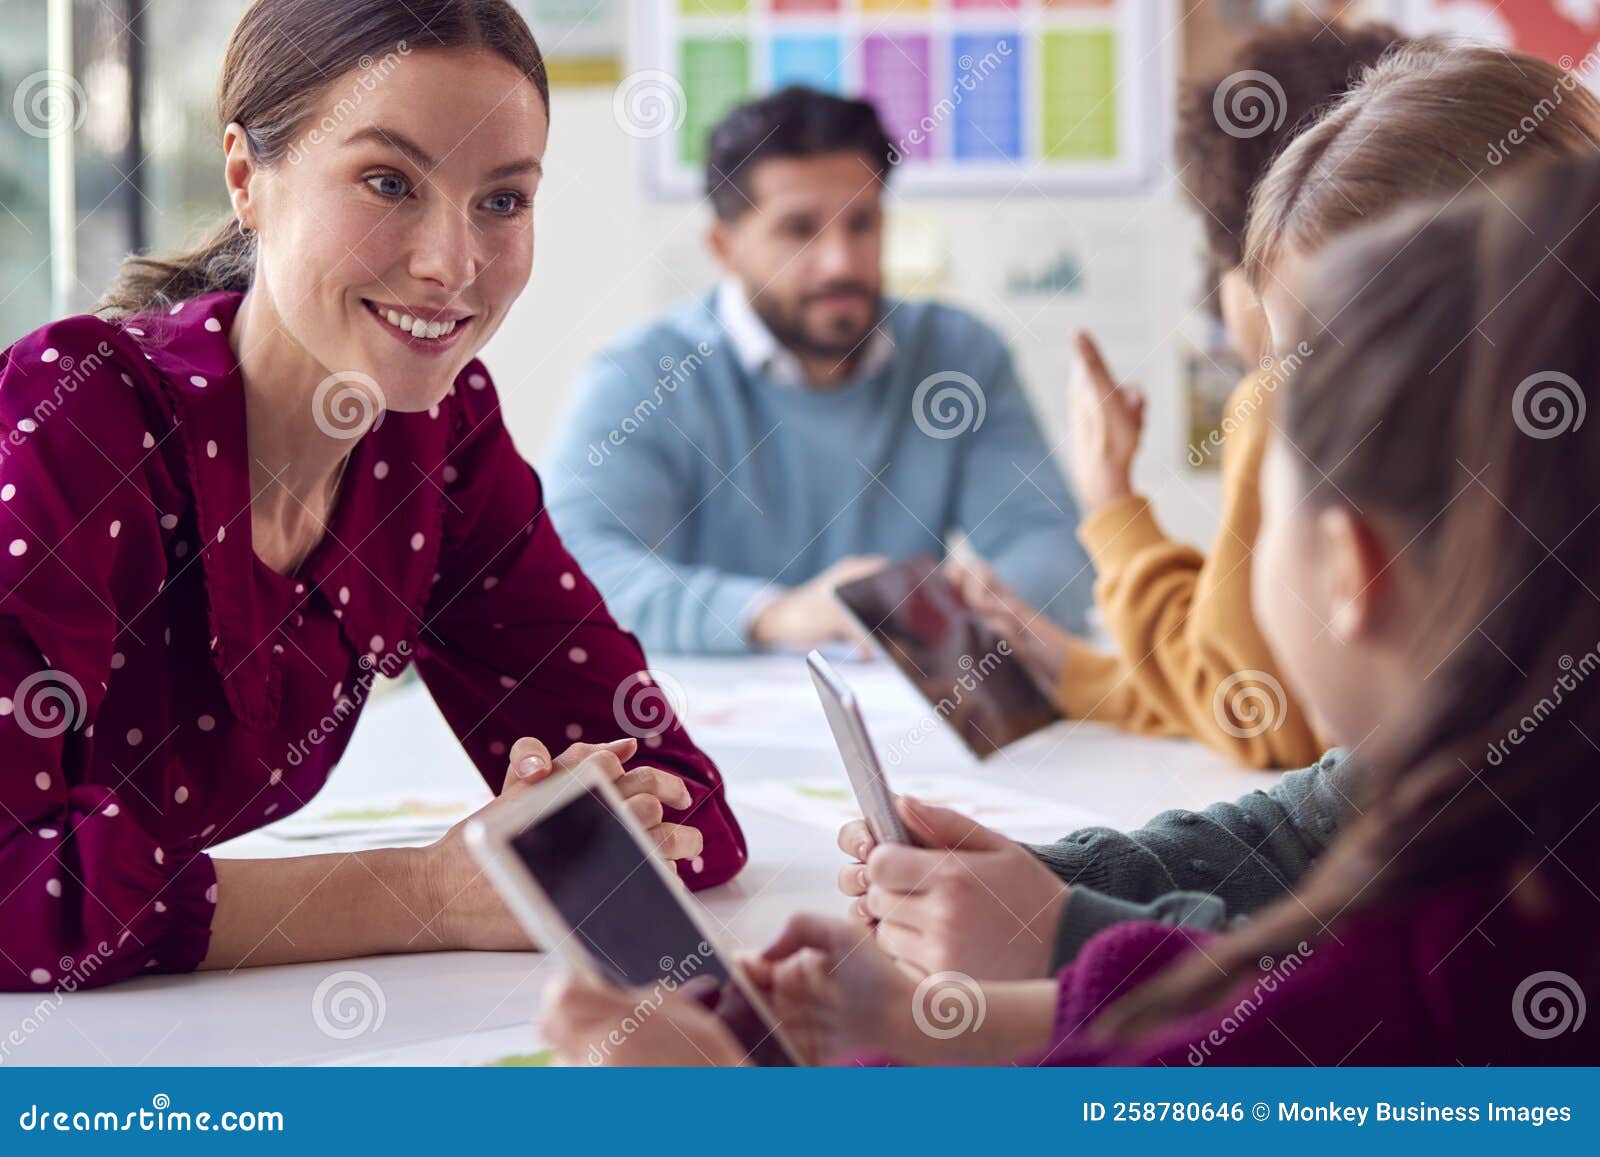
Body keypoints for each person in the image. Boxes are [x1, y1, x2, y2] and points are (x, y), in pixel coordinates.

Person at [542, 149, 1600, 1066]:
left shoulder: (1451, 939)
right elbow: (1274, 938)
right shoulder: (1517, 796)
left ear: (1346, 566)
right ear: (724, 243)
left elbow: (1261, 1032)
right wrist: (957, 980)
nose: (838, 257)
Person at [0, 0, 746, 994]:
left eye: (503, 200)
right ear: (244, 179)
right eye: (388, 182)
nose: (451, 263)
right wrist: (432, 891)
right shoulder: (76, 411)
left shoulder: (438, 434)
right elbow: (13, 898)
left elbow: (686, 808)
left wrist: (587, 815)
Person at [837, 41, 1600, 981]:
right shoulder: (1492, 672)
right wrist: (1046, 876)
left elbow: (1359, 1021)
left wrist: (1067, 935)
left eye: (1319, 367)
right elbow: (1305, 826)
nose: (1282, 413)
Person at [953, 20, 1407, 769]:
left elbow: (1253, 707)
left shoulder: (1284, 396)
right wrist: (1083, 673)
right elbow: (1255, 678)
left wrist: (1112, 502)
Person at [543, 87, 1093, 655]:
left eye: (862, 223)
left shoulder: (960, 358)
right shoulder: (643, 376)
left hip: (908, 720)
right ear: (725, 247)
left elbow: (1052, 548)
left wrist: (987, 602)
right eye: (799, 229)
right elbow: (570, 567)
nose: (841, 262)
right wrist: (774, 616)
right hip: (703, 725)